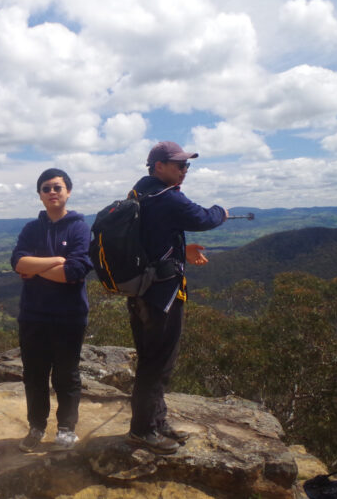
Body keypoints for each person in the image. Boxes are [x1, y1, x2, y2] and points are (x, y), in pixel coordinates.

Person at [125, 141, 228, 454]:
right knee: (158, 364)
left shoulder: (138, 194)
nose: (185, 171)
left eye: (187, 166)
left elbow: (153, 241)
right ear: (159, 167)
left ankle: (156, 422)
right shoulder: (167, 198)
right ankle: (142, 430)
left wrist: (184, 250)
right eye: (179, 165)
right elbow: (202, 218)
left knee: (151, 360)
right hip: (163, 296)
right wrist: (222, 212)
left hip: (141, 292)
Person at [11, 168, 93, 452]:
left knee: (66, 375)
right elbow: (18, 263)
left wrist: (37, 267)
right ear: (40, 195)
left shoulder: (79, 227)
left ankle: (67, 428)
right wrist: (56, 261)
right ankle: (36, 427)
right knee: (34, 374)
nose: (52, 192)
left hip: (69, 316)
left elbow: (74, 271)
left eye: (57, 187)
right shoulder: (32, 229)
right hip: (33, 315)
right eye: (46, 188)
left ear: (68, 191)